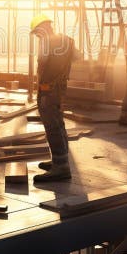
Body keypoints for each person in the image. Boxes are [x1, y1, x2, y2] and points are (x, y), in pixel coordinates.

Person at [30, 13, 78, 182]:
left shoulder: (46, 42)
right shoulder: (67, 40)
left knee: (52, 127)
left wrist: (39, 88)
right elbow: (77, 58)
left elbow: (42, 64)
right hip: (59, 89)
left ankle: (60, 168)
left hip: (48, 90)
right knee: (59, 124)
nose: (37, 37)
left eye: (36, 33)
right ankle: (60, 160)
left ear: (42, 28)